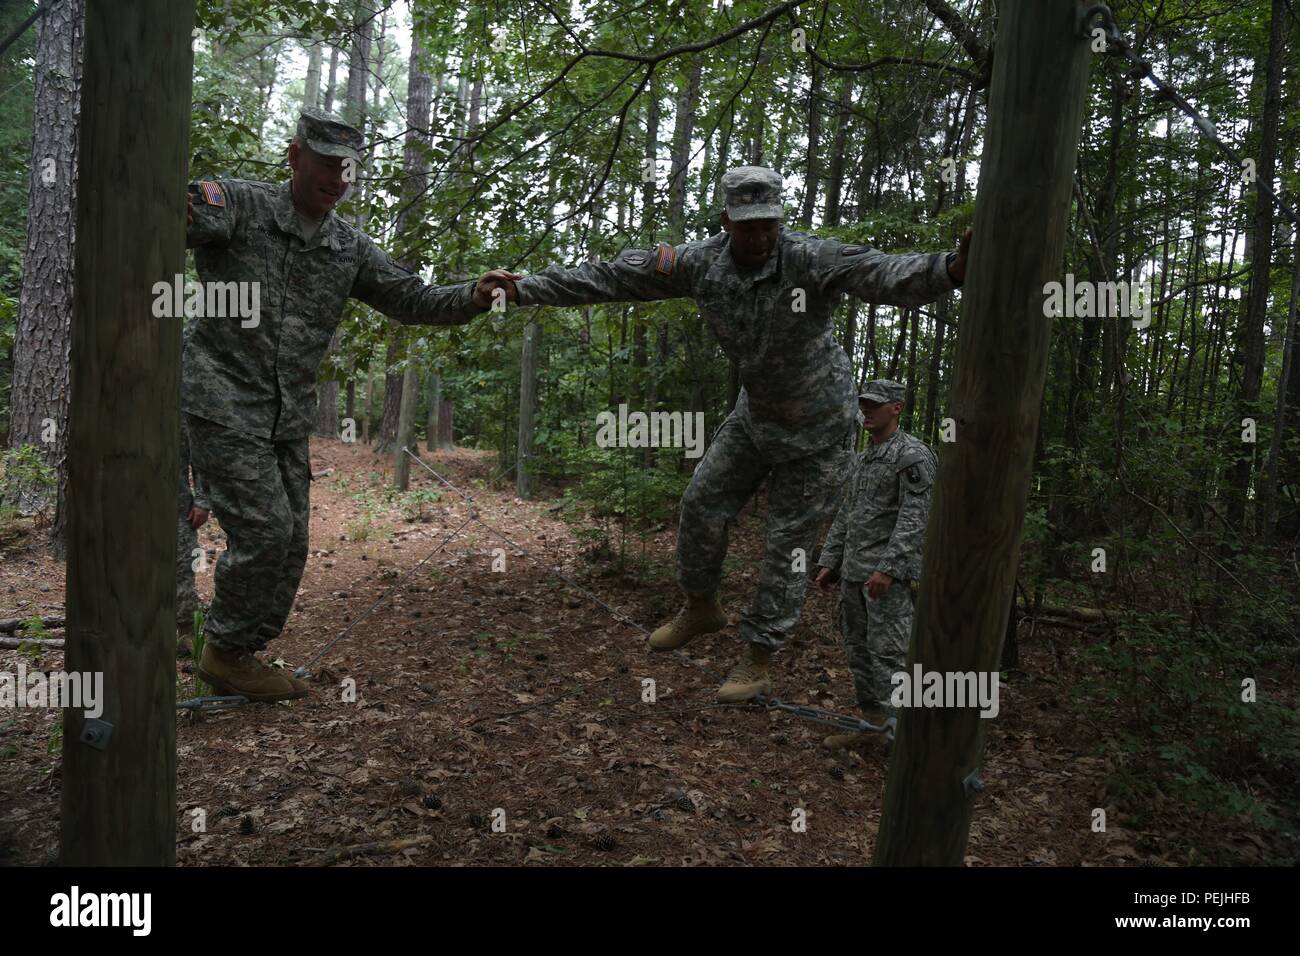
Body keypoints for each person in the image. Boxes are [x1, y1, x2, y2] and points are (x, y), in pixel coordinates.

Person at [477, 166, 968, 702]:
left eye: (769, 227)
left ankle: (757, 659)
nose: (760, 238)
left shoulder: (810, 258)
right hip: (755, 417)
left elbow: (883, 273)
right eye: (748, 227)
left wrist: (951, 267)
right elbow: (610, 277)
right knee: (701, 504)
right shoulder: (698, 263)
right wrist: (524, 289)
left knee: (787, 547)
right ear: (726, 222)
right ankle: (701, 605)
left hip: (819, 431)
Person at [184, 108, 502, 702]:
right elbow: (158, 216)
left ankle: (240, 652)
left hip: (286, 417)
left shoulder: (347, 247)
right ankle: (223, 651)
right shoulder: (239, 205)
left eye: (348, 169)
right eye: (327, 164)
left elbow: (412, 298)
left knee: (293, 539)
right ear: (296, 156)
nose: (338, 178)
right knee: (266, 531)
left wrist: (475, 297)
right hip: (221, 398)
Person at [814, 381, 936, 752]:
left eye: (875, 405)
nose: (866, 411)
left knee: (890, 656)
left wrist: (889, 569)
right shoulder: (863, 459)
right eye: (863, 405)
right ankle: (872, 727)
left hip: (887, 581)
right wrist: (829, 561)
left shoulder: (911, 455)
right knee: (859, 653)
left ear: (896, 408)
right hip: (854, 576)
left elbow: (916, 518)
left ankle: (906, 740)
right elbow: (846, 514)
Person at [175, 411, 209, 658]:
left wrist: (203, 500)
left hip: (177, 509)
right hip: (133, 508)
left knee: (182, 568)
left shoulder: (181, 413)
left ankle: (185, 631)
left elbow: (200, 459)